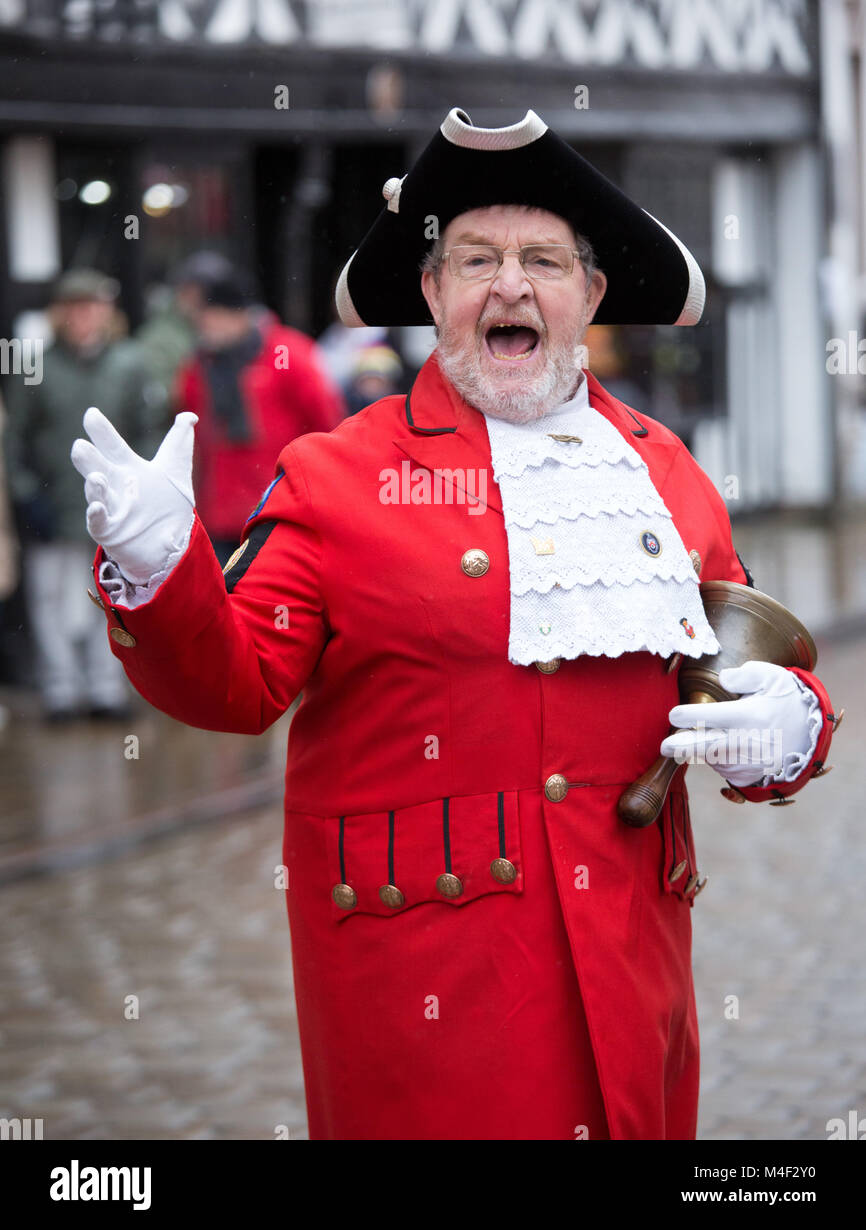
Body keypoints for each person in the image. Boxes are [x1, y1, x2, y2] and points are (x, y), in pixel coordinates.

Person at [69, 109, 837, 1139]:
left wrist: (788, 731)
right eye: (474, 257)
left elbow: (745, 660)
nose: (508, 284)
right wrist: (162, 567)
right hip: (426, 1015)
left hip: (632, 984)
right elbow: (235, 685)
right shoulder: (336, 474)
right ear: (430, 291)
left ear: (590, 295)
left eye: (541, 260)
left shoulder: (661, 471)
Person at [6, 268, 154, 719]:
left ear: (106, 313)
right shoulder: (37, 367)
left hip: (112, 507)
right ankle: (61, 690)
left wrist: (137, 487)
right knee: (50, 599)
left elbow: (149, 431)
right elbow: (15, 441)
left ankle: (105, 688)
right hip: (52, 503)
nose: (82, 317)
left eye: (90, 307)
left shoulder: (130, 363)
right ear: (58, 315)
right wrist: (28, 494)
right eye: (72, 308)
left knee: (107, 597)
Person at [170, 255, 345, 565]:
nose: (206, 327)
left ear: (238, 315)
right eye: (203, 319)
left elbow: (328, 427)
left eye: (214, 317)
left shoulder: (288, 353)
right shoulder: (199, 366)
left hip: (278, 509)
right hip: (218, 514)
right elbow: (190, 436)